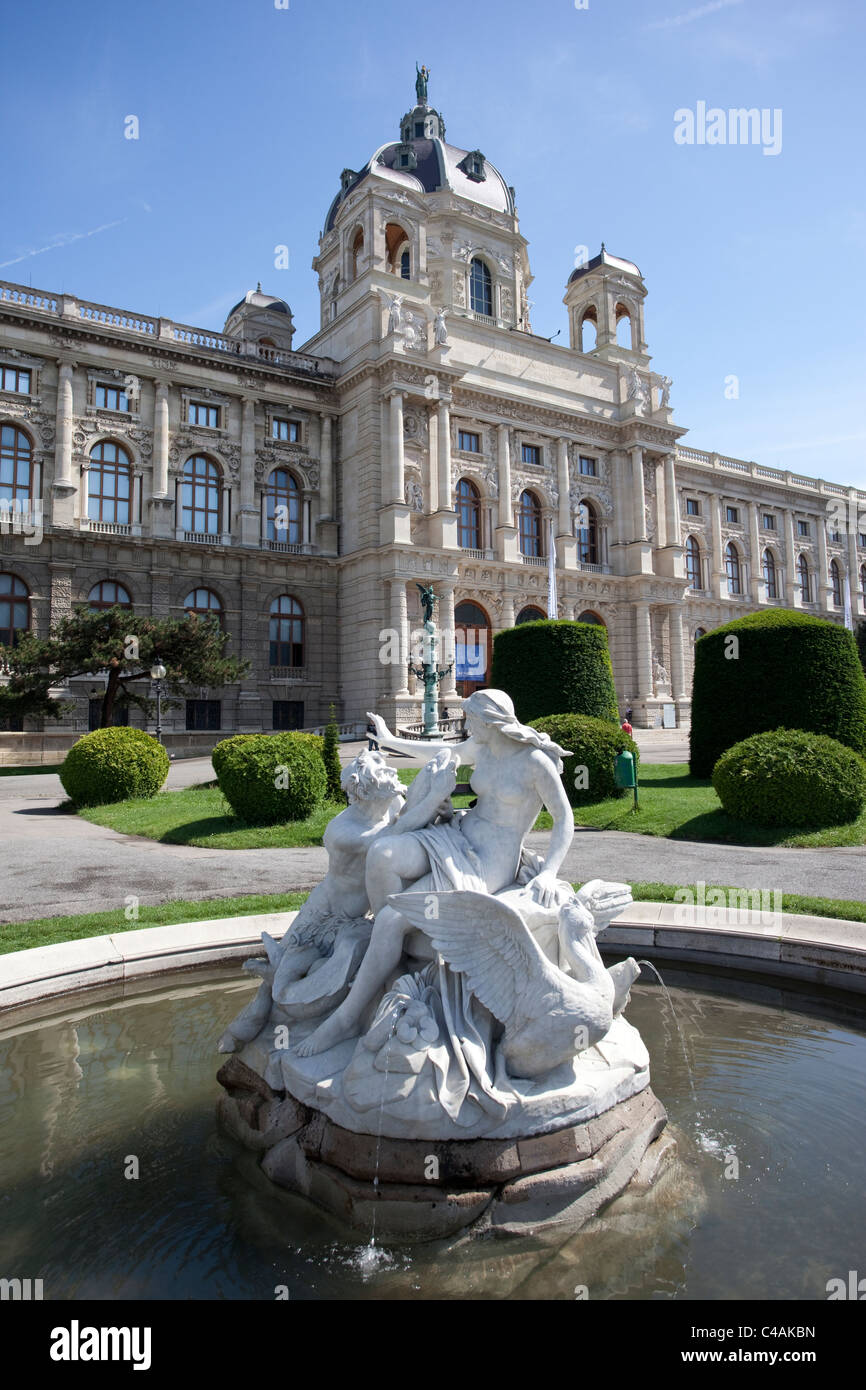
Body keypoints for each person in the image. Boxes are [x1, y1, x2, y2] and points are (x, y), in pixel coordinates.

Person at [294, 688, 573, 1056]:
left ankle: (347, 1016)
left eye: (471, 719)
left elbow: (564, 820)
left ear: (490, 721)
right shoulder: (483, 747)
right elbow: (442, 752)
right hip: (456, 833)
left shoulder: (535, 762)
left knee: (394, 919)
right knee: (384, 851)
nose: (467, 726)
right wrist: (391, 740)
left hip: (489, 861)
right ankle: (395, 955)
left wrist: (549, 873)